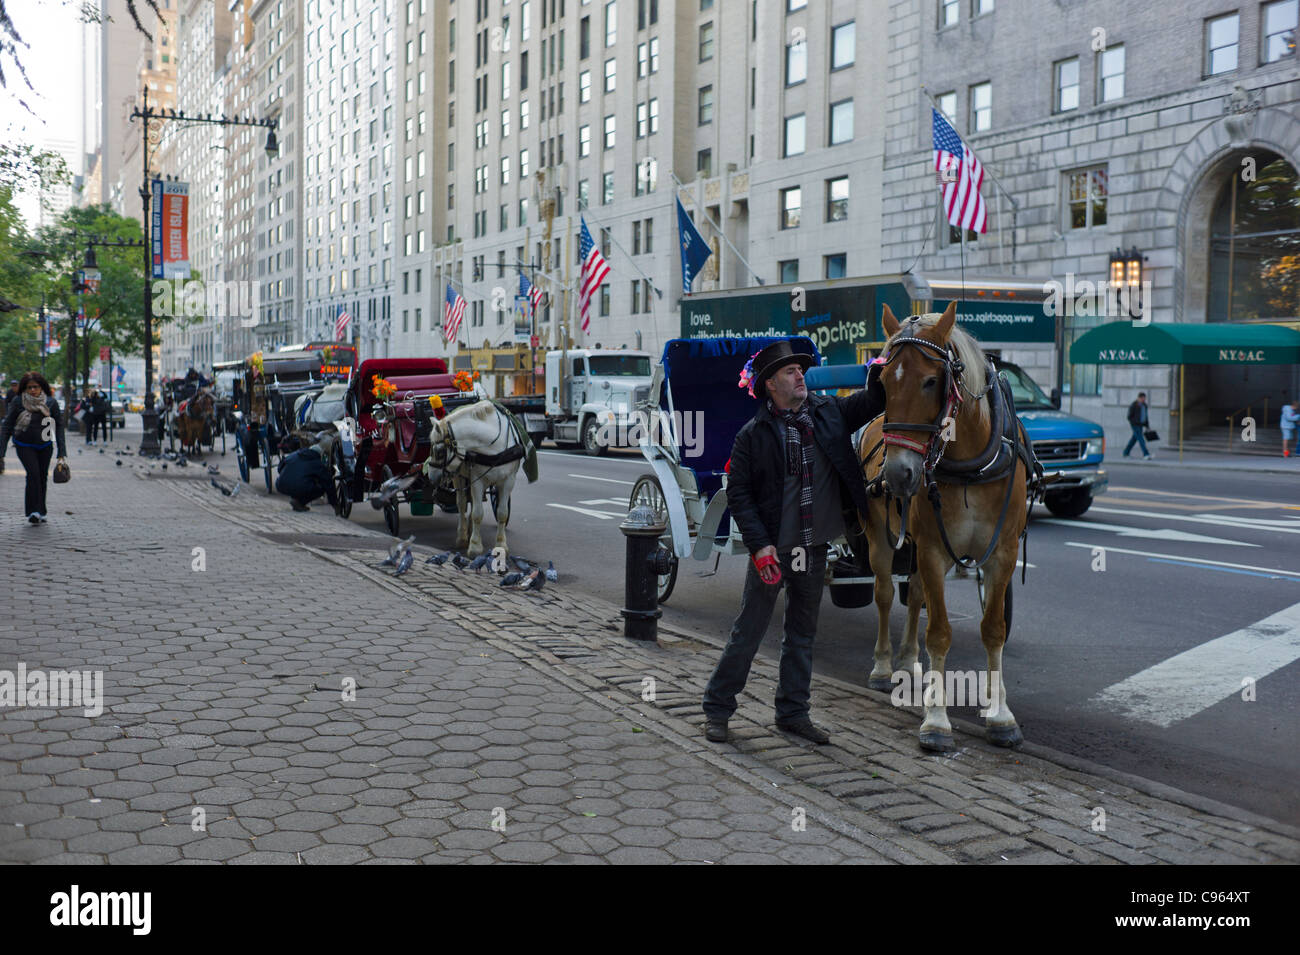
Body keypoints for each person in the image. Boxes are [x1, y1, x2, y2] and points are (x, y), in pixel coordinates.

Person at [702, 340, 885, 745]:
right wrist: (760, 545)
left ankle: (793, 713)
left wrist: (883, 364)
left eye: (801, 370)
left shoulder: (829, 413)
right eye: (790, 372)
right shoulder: (752, 435)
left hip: (812, 548)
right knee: (748, 633)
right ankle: (717, 709)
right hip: (774, 551)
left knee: (802, 634)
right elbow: (740, 494)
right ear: (770, 384)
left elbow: (875, 400)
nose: (801, 375)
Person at [0, 372, 68, 523]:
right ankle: (33, 511)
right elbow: (7, 426)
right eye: (29, 387)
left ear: (41, 387)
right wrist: (1, 451)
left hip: (45, 444)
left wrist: (61, 452)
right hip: (24, 444)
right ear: (24, 388)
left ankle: (41, 510)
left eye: (35, 387)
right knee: (33, 474)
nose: (32, 390)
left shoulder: (50, 403)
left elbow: (59, 427)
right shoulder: (18, 402)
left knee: (42, 476)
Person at [274, 434, 337, 511]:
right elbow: (328, 484)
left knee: (300, 481)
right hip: (298, 486)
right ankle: (300, 502)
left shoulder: (294, 454)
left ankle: (296, 498)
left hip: (281, 485)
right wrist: (334, 503)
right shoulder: (318, 463)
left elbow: (279, 469)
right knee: (321, 487)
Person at [1124, 392, 1153, 459]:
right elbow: (1129, 416)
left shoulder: (1144, 405)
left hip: (1141, 425)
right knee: (1141, 439)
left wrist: (1147, 426)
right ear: (1139, 398)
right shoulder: (1134, 405)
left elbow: (1145, 416)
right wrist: (1134, 422)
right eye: (1142, 398)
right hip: (1135, 425)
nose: (1144, 400)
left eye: (1144, 398)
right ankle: (1146, 454)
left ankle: (1126, 452)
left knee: (1134, 439)